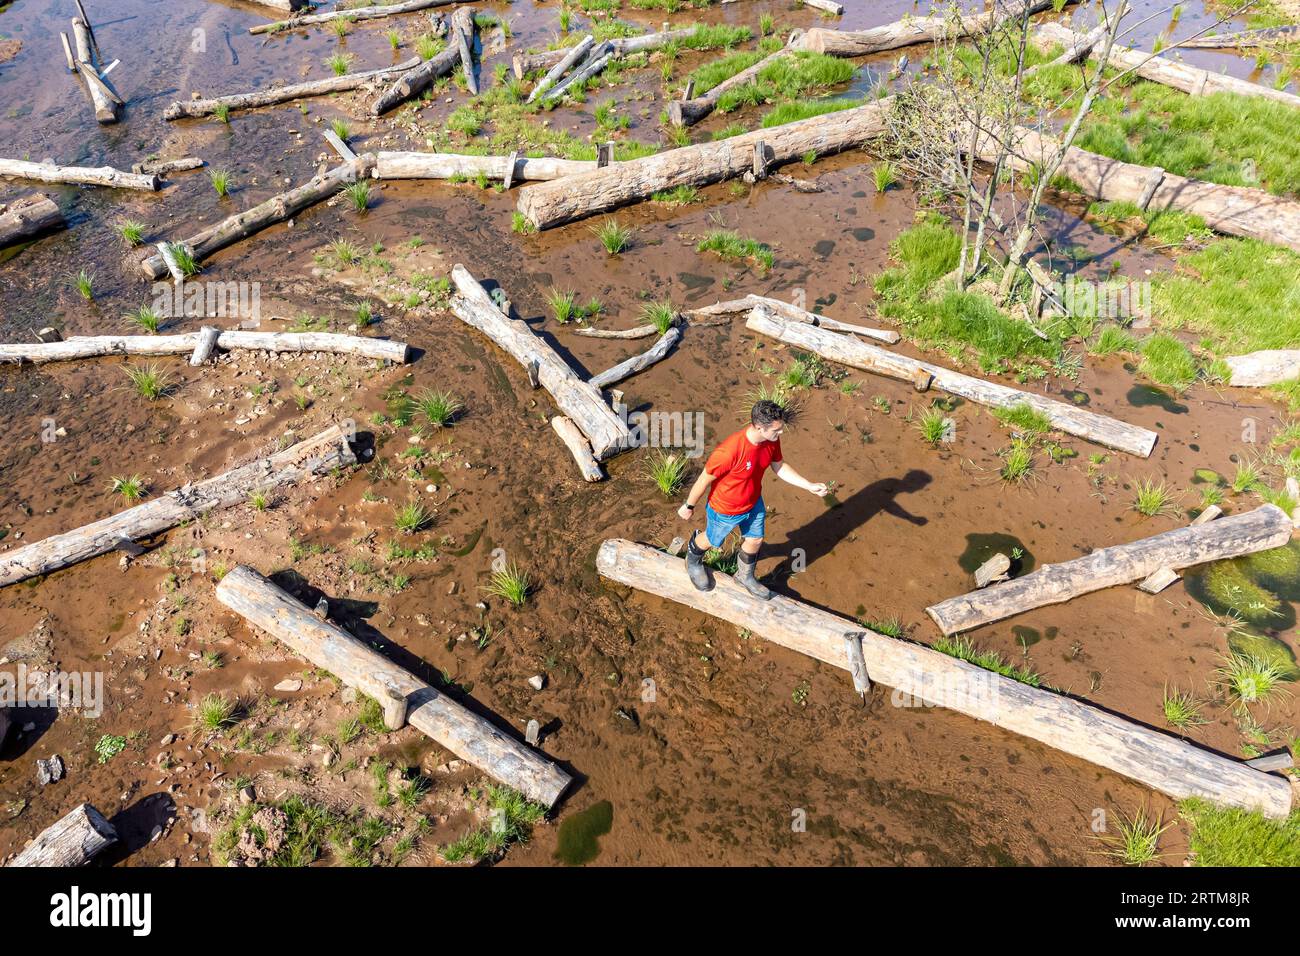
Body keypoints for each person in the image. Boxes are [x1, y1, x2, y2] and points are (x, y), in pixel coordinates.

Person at [676, 399, 828, 598]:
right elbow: (703, 480)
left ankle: (744, 576)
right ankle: (693, 559)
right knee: (712, 540)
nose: (781, 433)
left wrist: (809, 485)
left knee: (755, 539)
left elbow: (779, 466)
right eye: (777, 430)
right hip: (725, 508)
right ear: (758, 427)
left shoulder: (771, 440)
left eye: (781, 428)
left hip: (753, 502)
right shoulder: (729, 451)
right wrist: (689, 505)